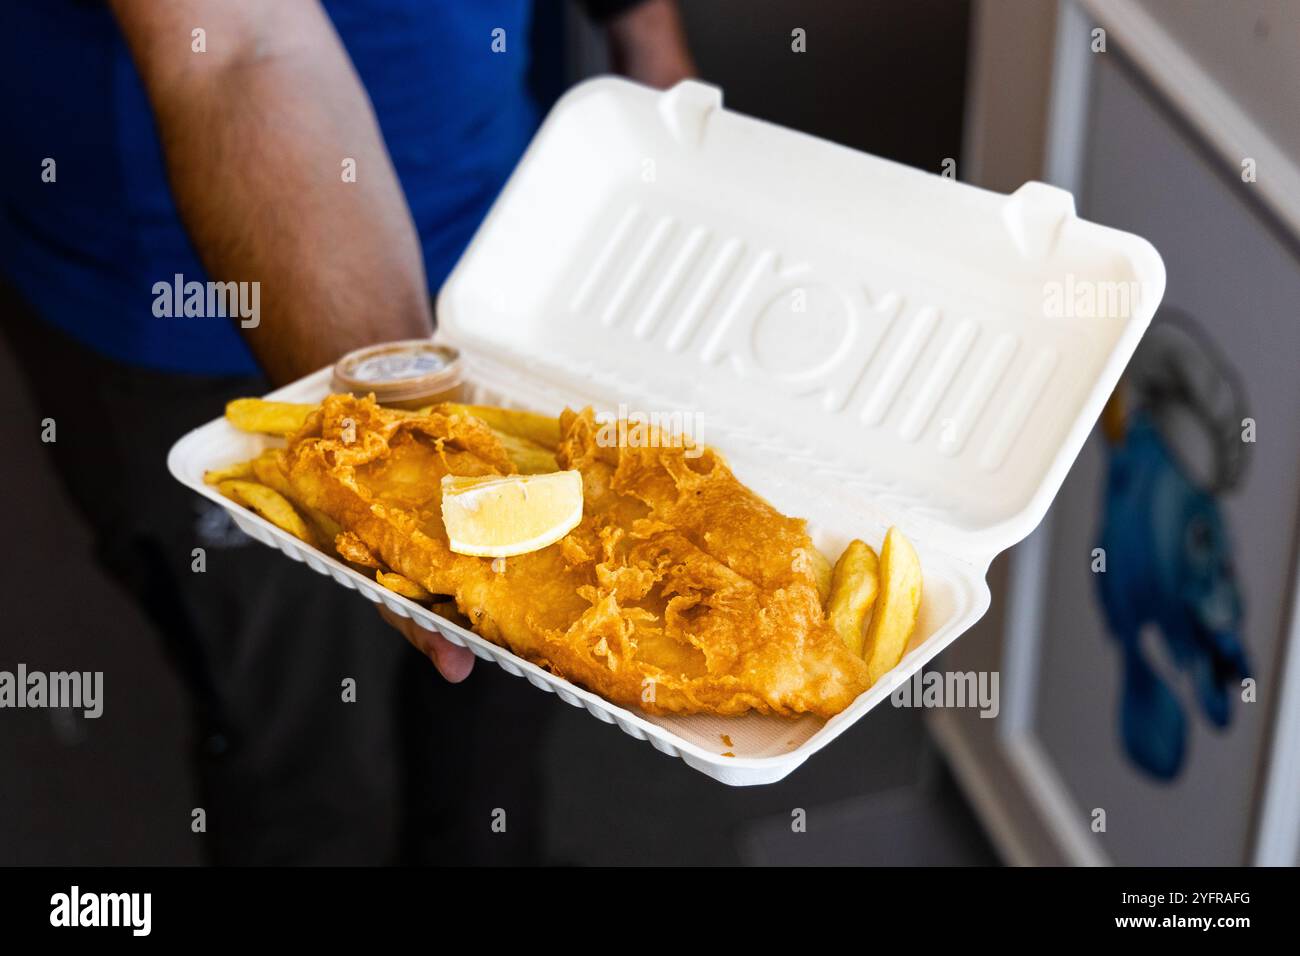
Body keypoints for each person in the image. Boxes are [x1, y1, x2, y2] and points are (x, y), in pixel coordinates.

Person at [0, 0, 694, 864]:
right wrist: (400, 454)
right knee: (294, 755)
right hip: (191, 307)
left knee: (505, 704)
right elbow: (243, 49)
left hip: (509, 234)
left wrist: (651, 50)